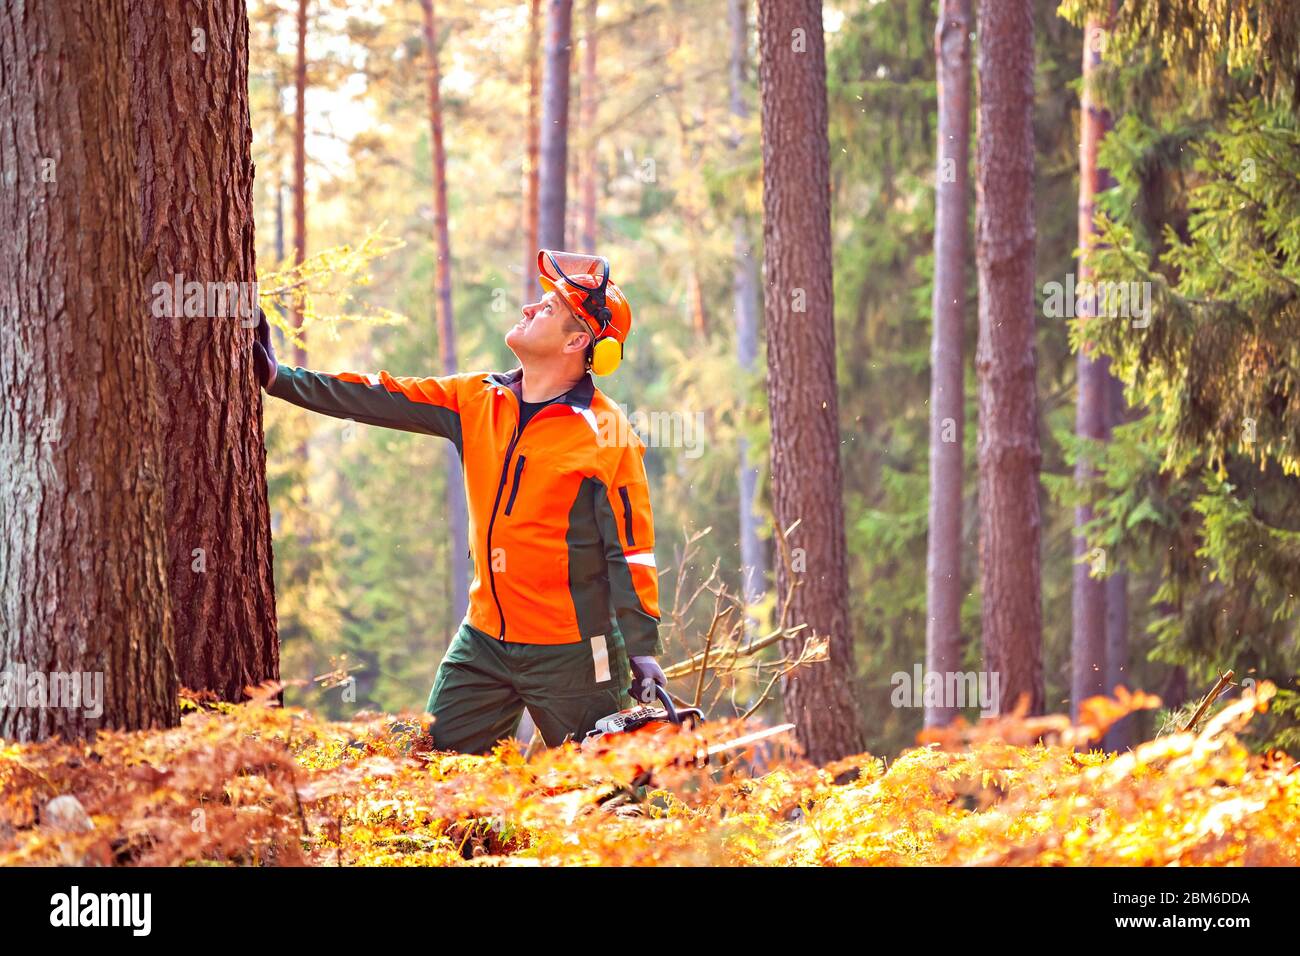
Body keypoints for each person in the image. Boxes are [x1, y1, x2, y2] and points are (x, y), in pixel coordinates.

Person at [253, 250, 666, 753]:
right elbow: (382, 394)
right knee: (441, 777)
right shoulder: (477, 399)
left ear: (578, 341)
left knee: (609, 796)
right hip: (484, 641)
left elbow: (630, 551)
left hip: (576, 653)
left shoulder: (606, 432)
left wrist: (643, 651)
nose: (531, 309)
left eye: (550, 309)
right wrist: (280, 378)